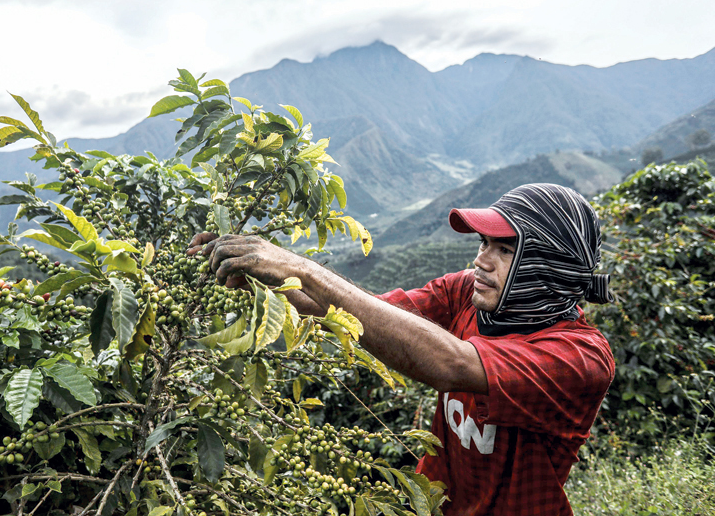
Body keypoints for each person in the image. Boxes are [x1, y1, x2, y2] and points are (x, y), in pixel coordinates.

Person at [188, 183, 615, 516]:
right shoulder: (468, 292)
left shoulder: (580, 359)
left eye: (504, 250)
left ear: (544, 266)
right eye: (483, 243)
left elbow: (452, 364)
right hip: (433, 503)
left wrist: (304, 268)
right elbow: (365, 315)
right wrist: (264, 280)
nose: (481, 260)